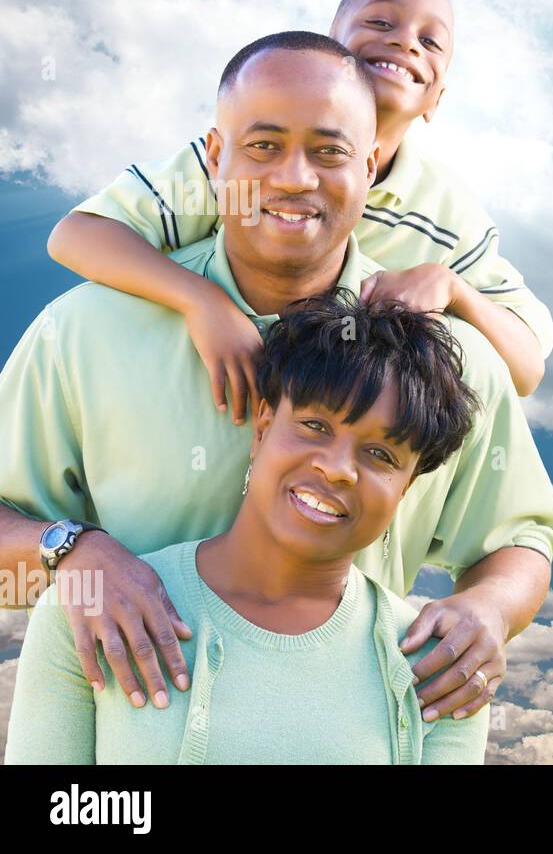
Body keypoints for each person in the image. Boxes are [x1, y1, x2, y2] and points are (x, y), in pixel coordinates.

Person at [0, 31, 553, 730]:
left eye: (329, 152)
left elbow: (519, 537)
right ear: (215, 155)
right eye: (263, 146)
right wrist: (70, 553)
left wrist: (489, 610)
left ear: (372, 162)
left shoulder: (448, 361)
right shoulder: (81, 333)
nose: (295, 178)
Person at [6, 295, 491, 764]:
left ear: (404, 491)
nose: (339, 468)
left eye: (382, 455)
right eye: (315, 426)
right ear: (261, 429)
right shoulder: (92, 612)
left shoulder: (443, 666)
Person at [46, 0, 552, 406]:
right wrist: (201, 301)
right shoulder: (242, 161)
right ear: (328, 46)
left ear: (438, 97)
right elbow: (77, 235)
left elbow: (525, 370)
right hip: (197, 387)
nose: (405, 42)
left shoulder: (448, 213)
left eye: (431, 40)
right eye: (380, 22)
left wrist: (453, 287)